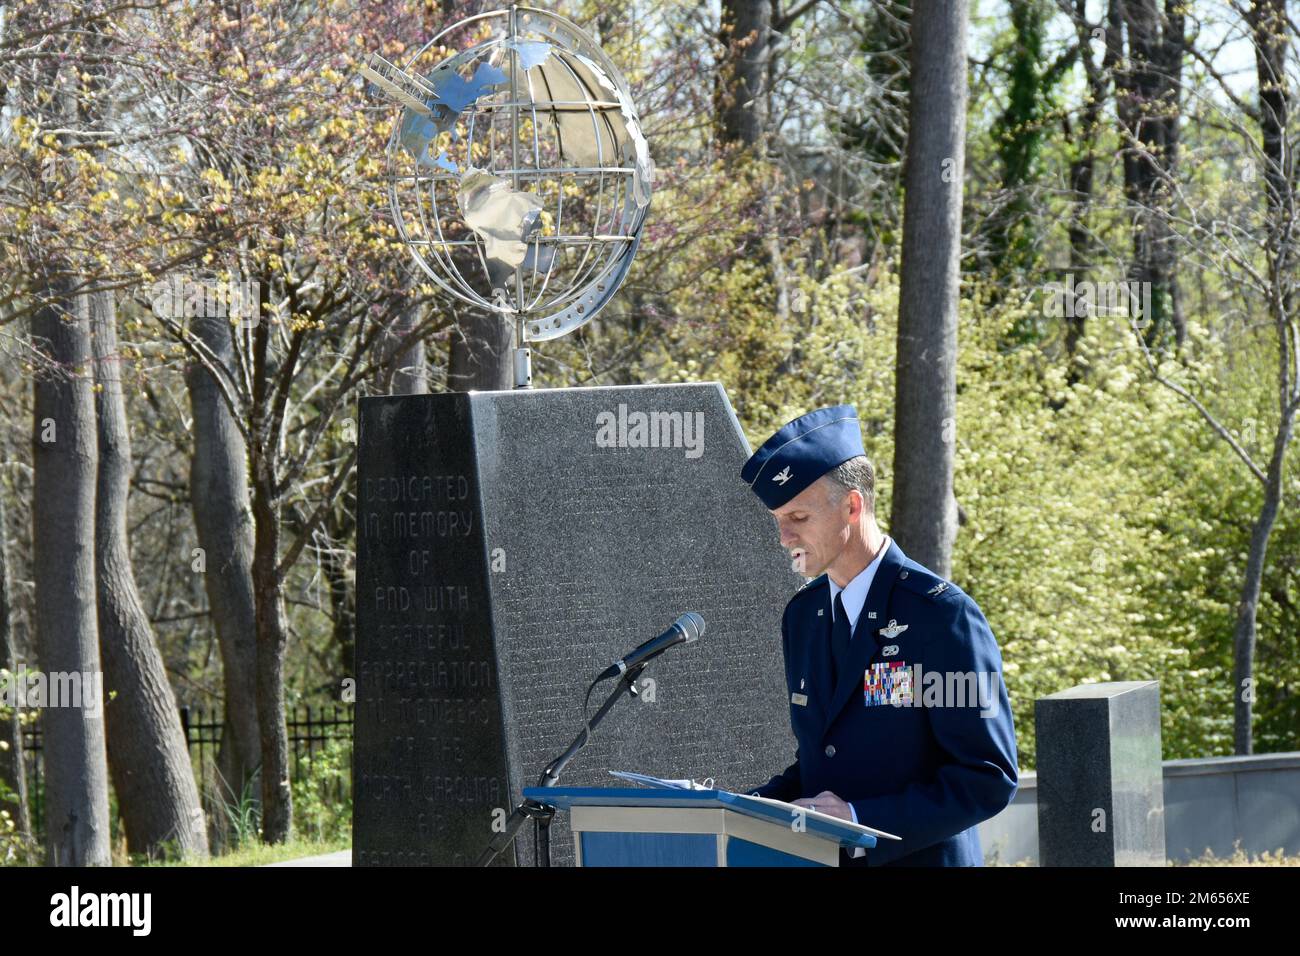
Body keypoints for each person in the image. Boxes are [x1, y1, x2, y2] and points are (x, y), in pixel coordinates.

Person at [741, 404, 1018, 866]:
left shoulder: (939, 616)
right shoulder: (803, 617)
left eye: (799, 518)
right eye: (778, 521)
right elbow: (825, 759)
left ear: (852, 505)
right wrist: (756, 805)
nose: (784, 538)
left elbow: (986, 777)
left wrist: (858, 818)